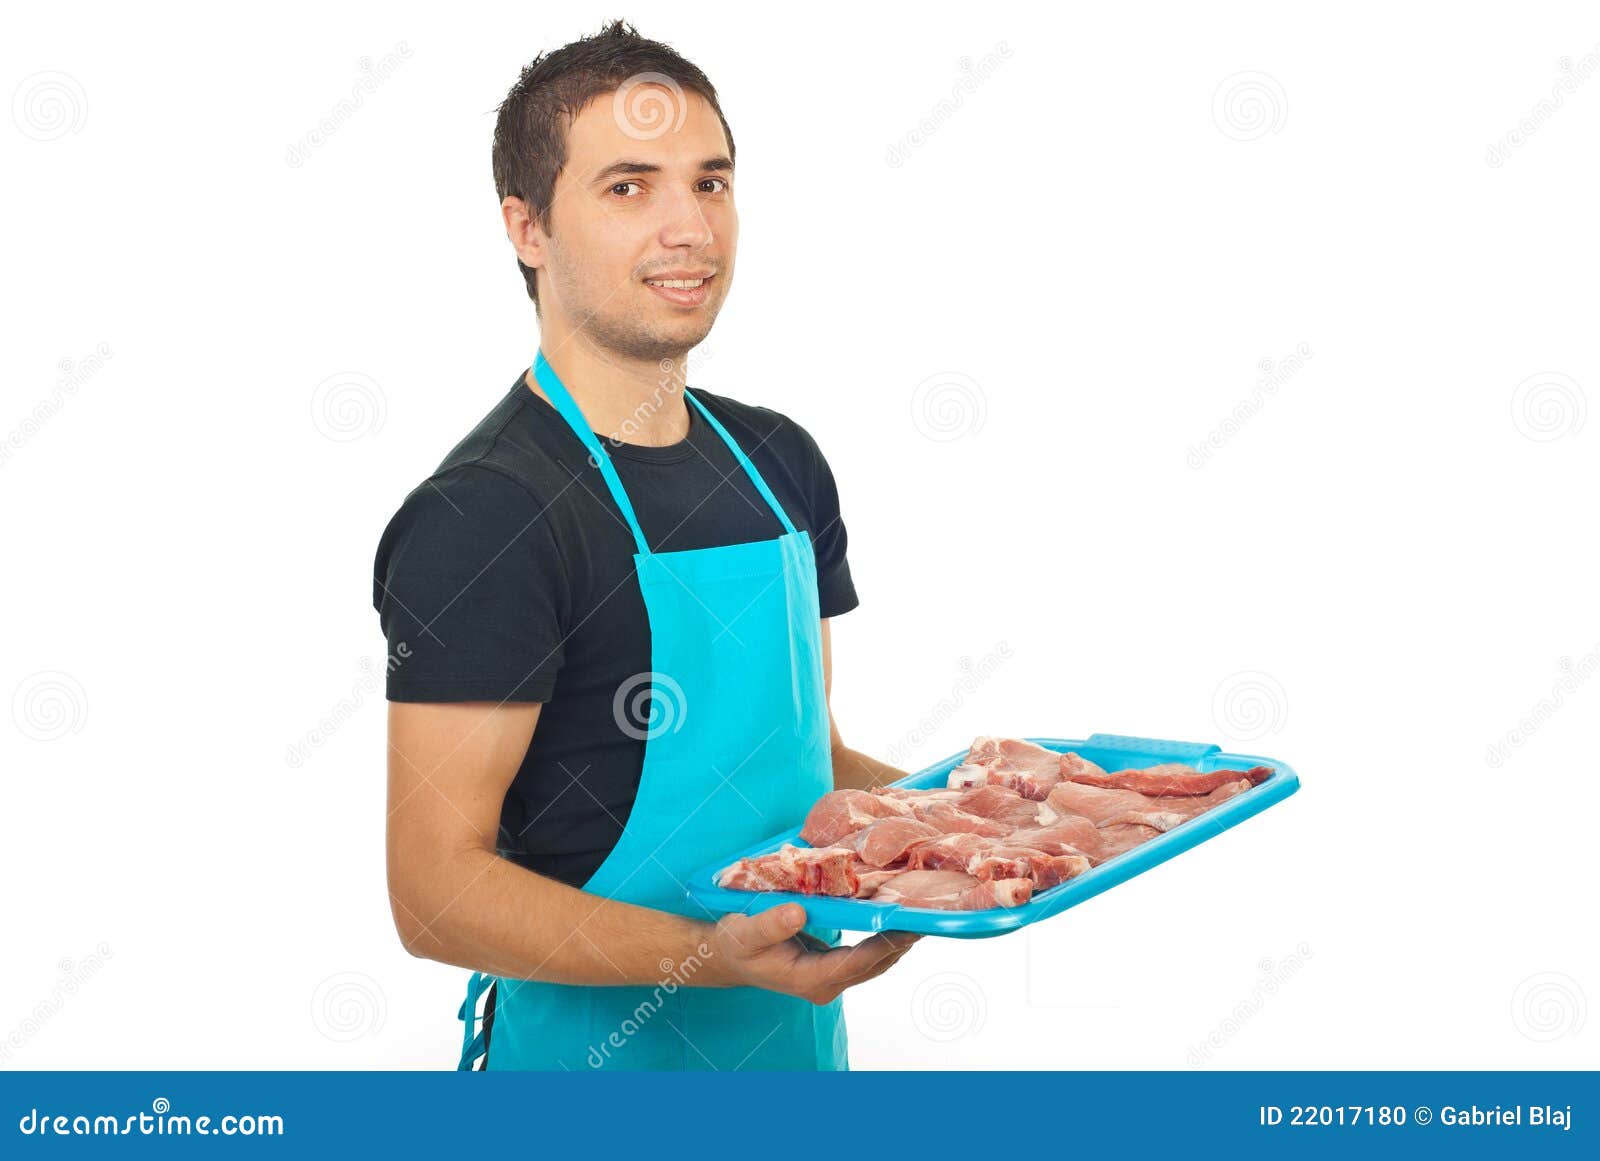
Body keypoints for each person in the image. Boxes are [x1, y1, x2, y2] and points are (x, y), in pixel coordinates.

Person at [372, 20, 920, 1071]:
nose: (690, 229)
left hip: (801, 1066)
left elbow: (806, 767)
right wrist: (709, 956)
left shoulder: (777, 462)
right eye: (629, 188)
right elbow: (434, 894)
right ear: (526, 227)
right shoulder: (486, 514)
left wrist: (1011, 833)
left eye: (709, 183)